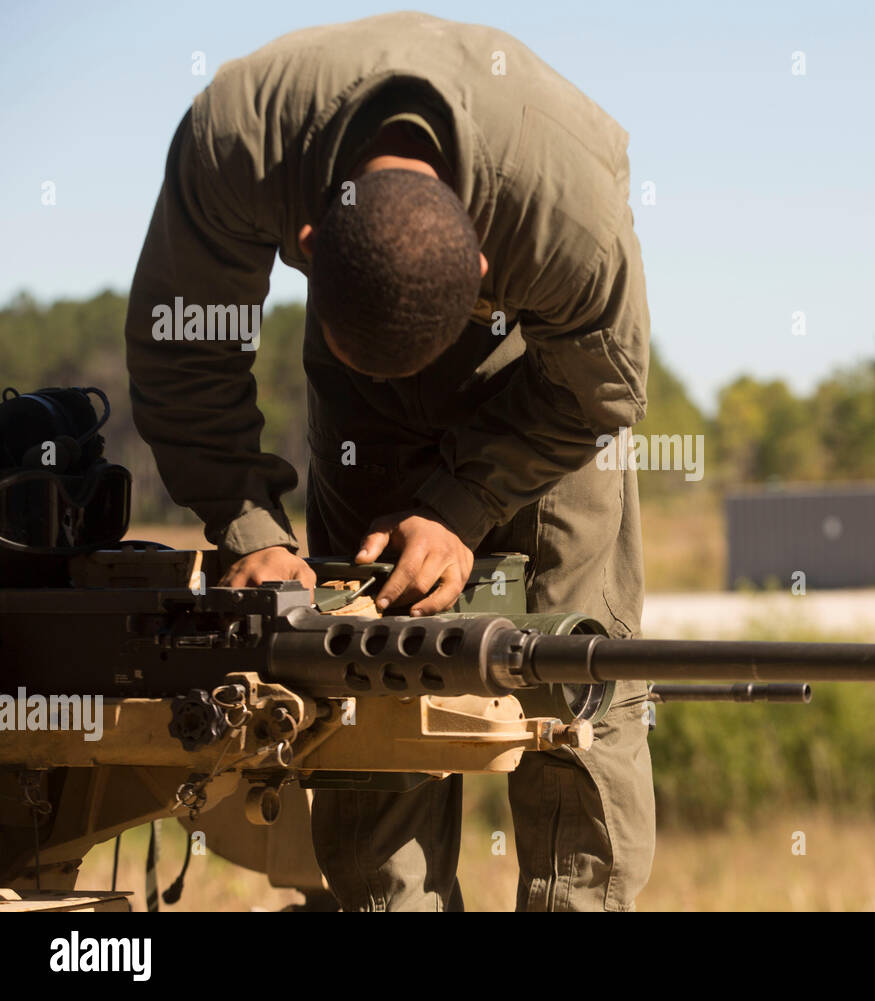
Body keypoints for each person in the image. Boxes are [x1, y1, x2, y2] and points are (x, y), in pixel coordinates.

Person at [124, 12, 654, 911]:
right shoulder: (235, 143)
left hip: (542, 386)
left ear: (489, 261)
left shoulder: (569, 219)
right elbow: (185, 358)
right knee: (358, 665)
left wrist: (462, 500)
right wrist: (249, 527)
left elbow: (600, 391)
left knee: (576, 685)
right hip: (356, 406)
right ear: (304, 245)